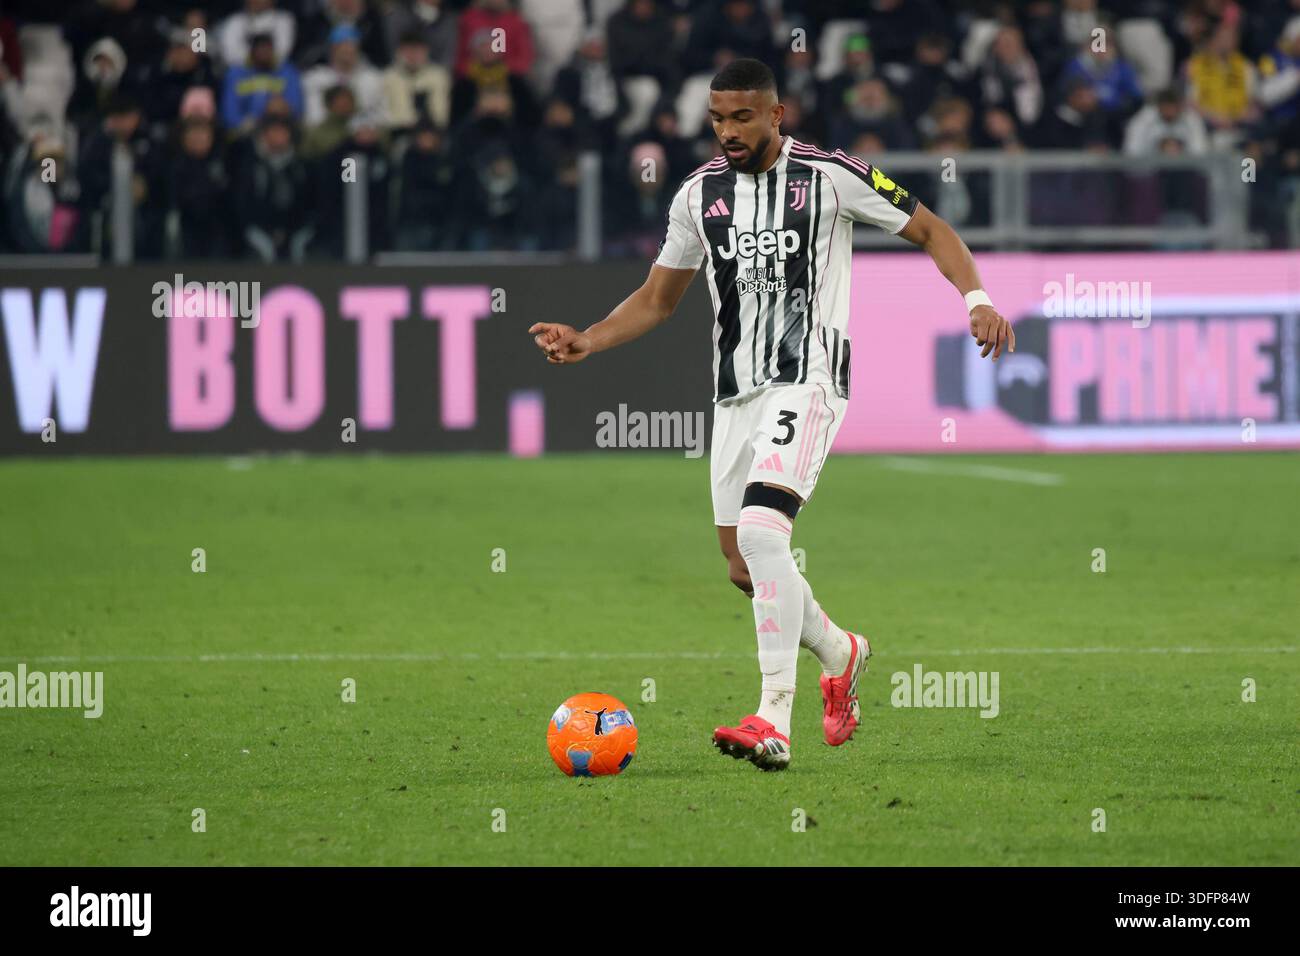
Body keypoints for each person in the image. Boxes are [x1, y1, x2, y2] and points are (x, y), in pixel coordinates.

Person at [528, 59, 1013, 771]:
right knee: (742, 563)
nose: (728, 131)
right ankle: (842, 652)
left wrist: (977, 300)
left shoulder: (831, 174)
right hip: (734, 396)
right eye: (718, 118)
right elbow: (659, 299)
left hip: (808, 381)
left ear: (777, 114)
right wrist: (588, 339)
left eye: (742, 117)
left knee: (761, 530)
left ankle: (772, 718)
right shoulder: (698, 196)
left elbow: (933, 230)